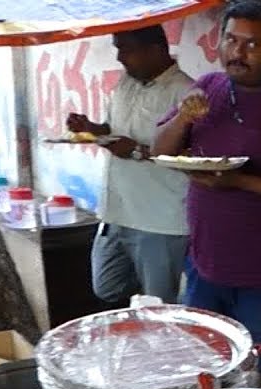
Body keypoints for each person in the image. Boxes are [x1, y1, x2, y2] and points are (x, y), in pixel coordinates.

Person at [153, 0, 261, 370]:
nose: (239, 52)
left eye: (253, 44)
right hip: (205, 268)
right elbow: (161, 150)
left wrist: (240, 181)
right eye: (231, 41)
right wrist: (183, 119)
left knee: (257, 381)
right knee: (202, 374)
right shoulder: (207, 88)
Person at [67, 26, 194, 304]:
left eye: (127, 49)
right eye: (118, 48)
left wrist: (138, 151)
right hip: (116, 211)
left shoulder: (186, 93)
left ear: (156, 50)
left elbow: (196, 157)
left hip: (161, 221)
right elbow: (113, 130)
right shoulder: (126, 82)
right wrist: (91, 128)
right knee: (107, 287)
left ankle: (157, 345)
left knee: (159, 306)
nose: (121, 57)